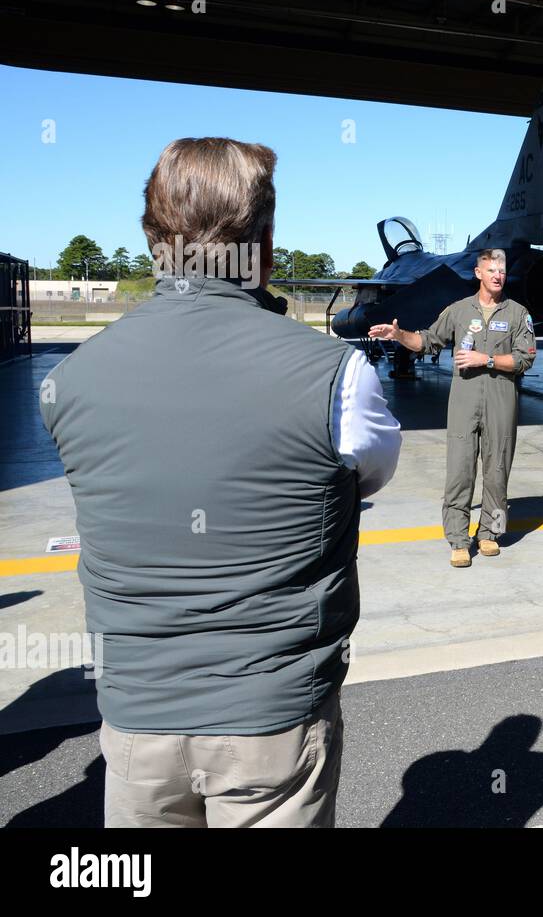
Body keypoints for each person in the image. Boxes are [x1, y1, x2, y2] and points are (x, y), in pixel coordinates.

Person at [39, 137, 402, 827]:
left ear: (153, 240)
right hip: (272, 723)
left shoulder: (69, 380)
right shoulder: (339, 376)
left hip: (136, 722)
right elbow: (371, 472)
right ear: (264, 247)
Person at [369, 249, 536, 568]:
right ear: (478, 273)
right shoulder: (459, 311)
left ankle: (490, 533)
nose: (498, 275)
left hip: (501, 402)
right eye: (491, 270)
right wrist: (398, 335)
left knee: (497, 471)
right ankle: (459, 540)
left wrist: (485, 360)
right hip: (464, 403)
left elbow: (525, 358)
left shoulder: (517, 314)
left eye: (501, 270)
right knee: (459, 473)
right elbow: (427, 341)